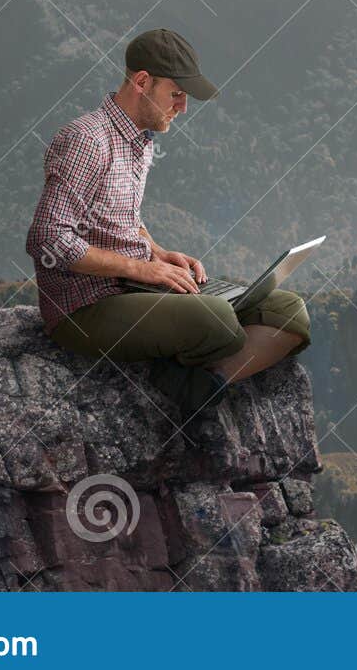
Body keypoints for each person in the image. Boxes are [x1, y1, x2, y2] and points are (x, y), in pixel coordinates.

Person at [25, 28, 310, 424]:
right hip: (85, 307)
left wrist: (158, 253)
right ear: (142, 82)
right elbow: (47, 238)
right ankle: (176, 382)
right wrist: (144, 269)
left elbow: (120, 216)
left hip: (134, 288)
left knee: (289, 311)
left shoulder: (138, 141)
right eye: (176, 94)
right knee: (219, 322)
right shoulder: (87, 140)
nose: (184, 106)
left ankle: (200, 384)